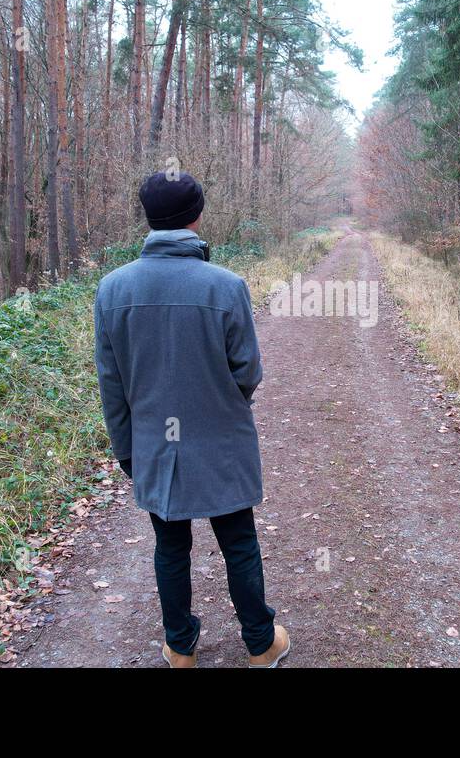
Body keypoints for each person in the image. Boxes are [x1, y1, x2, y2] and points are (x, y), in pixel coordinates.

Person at [93, 171, 290, 668]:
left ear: (148, 216)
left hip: (155, 444)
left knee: (170, 546)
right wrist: (222, 403)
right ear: (197, 216)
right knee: (239, 540)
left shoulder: (112, 289)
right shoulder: (225, 286)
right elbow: (248, 370)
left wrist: (126, 449)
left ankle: (181, 648)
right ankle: (261, 644)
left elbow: (112, 383)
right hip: (221, 438)